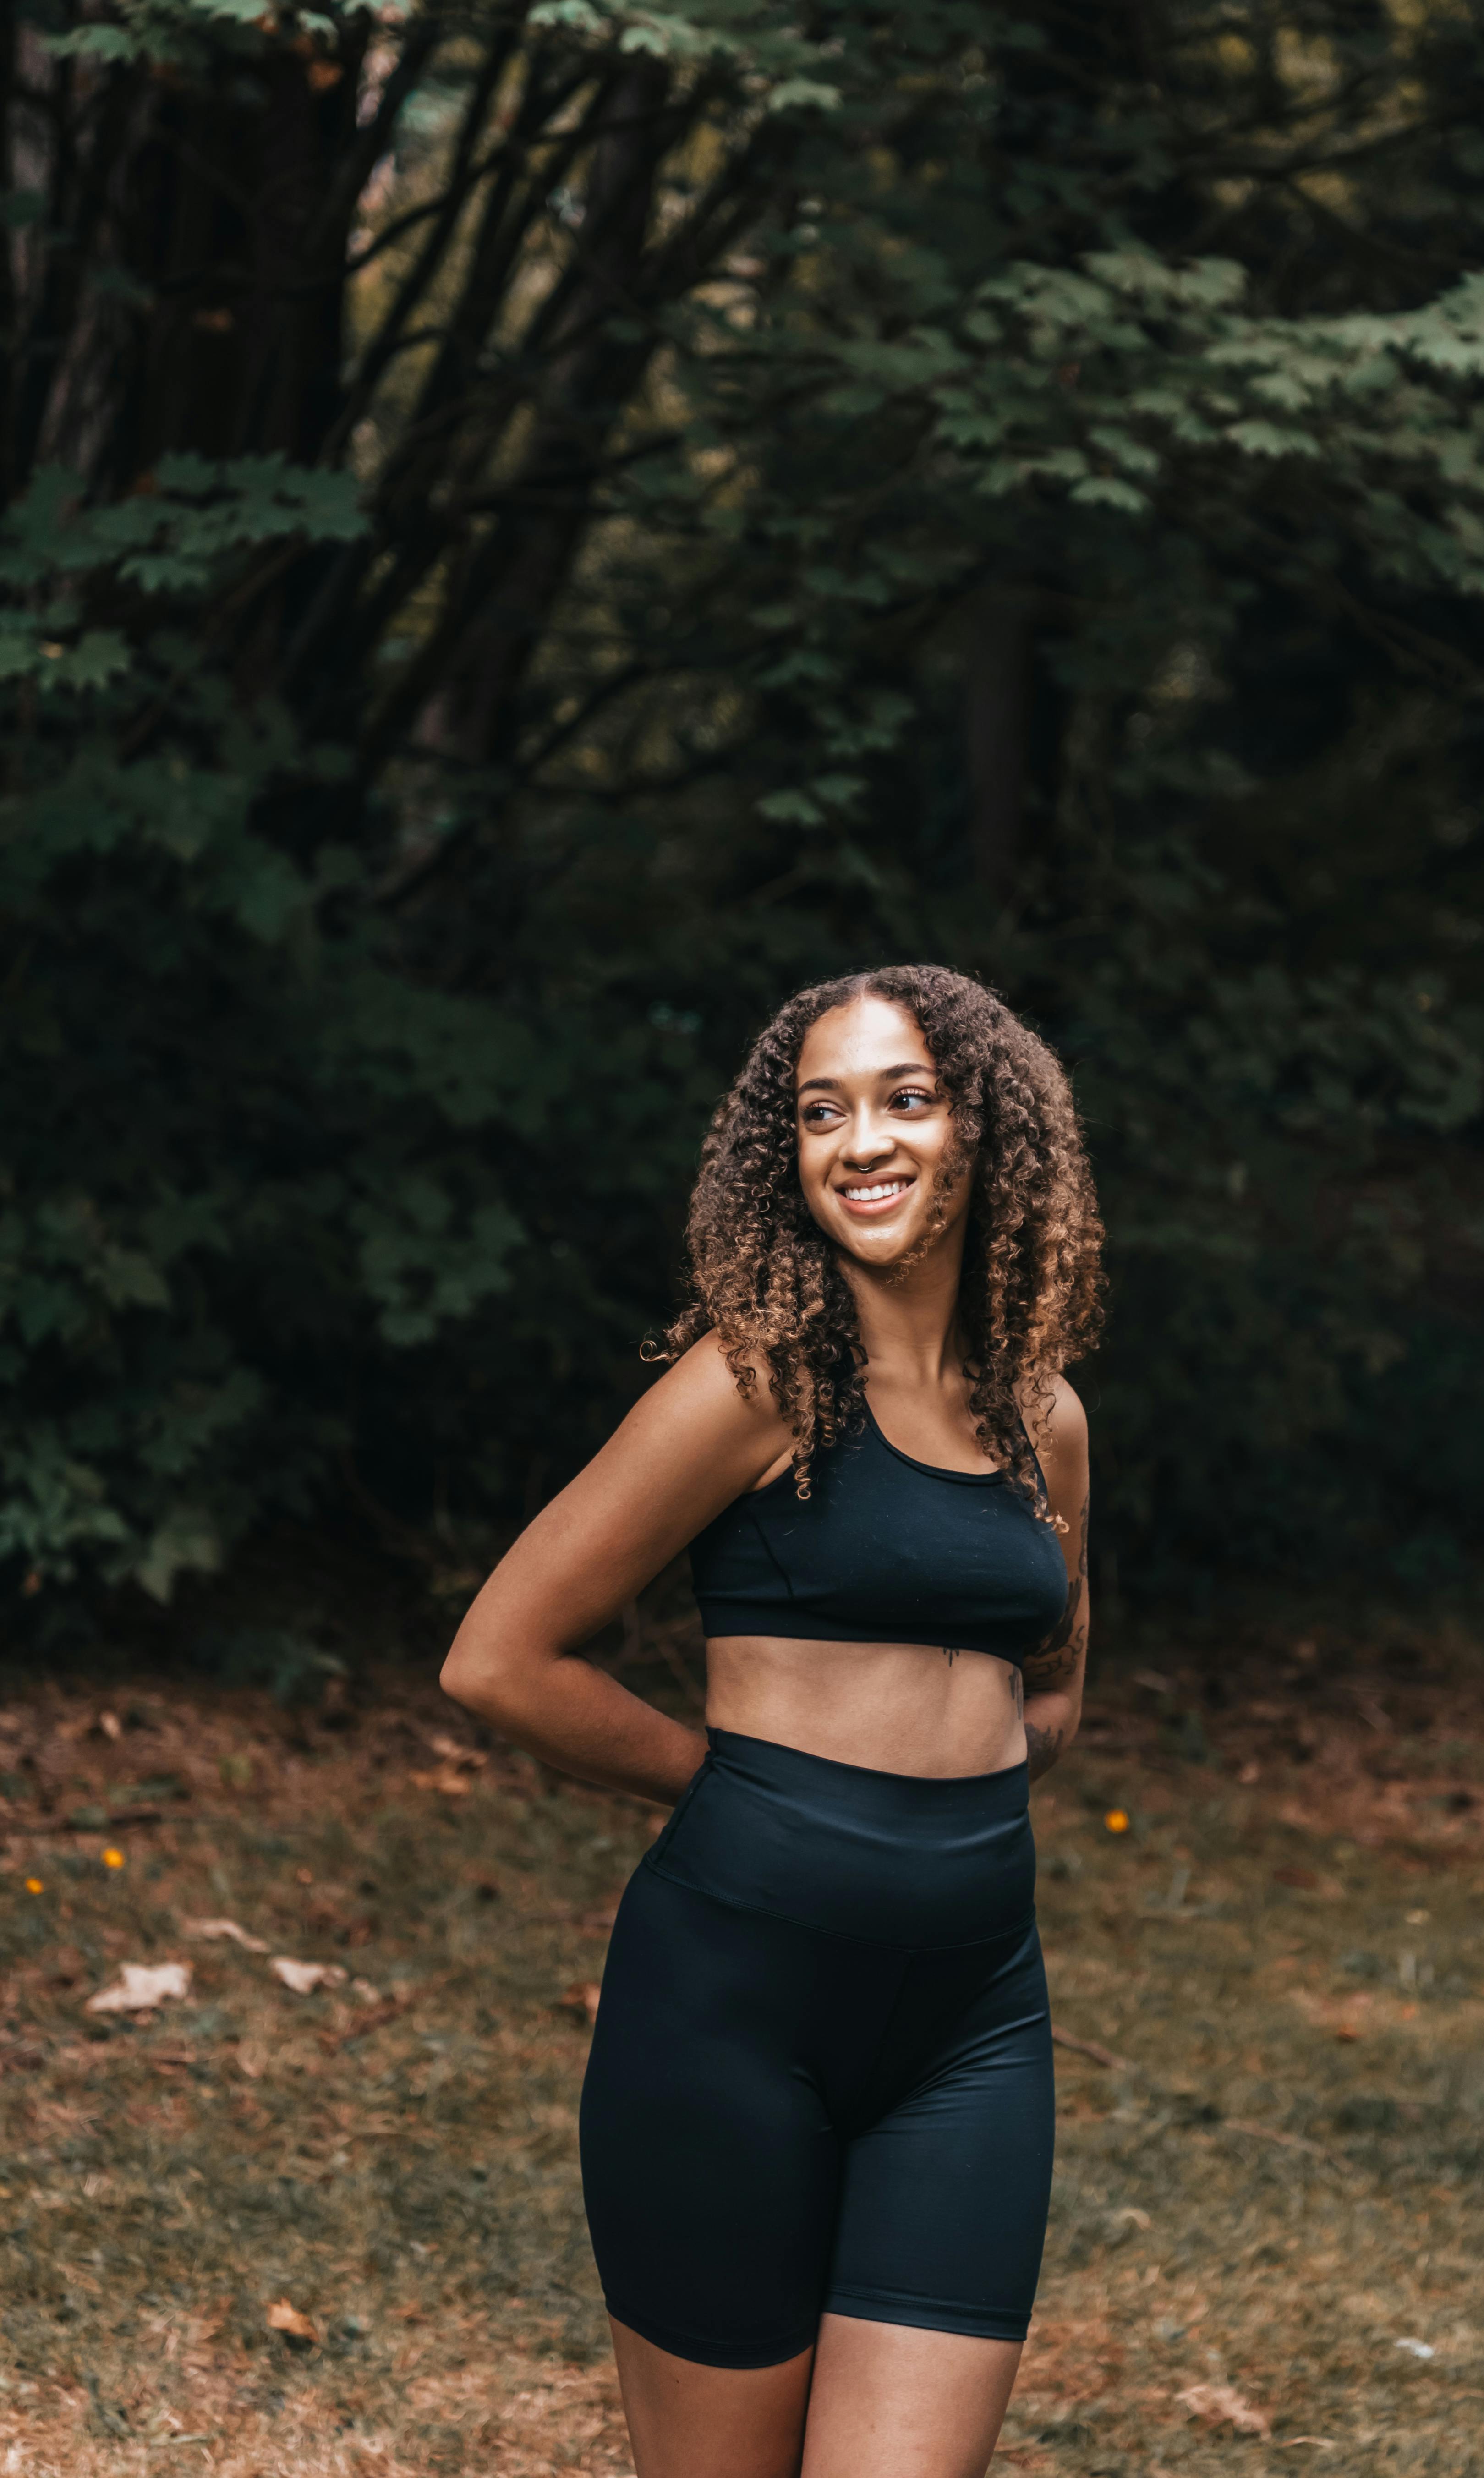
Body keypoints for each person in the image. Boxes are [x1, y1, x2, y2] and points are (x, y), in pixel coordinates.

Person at [441, 964, 1103, 2478]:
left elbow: (1056, 1677)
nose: (860, 1142)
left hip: (972, 2030)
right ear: (784, 1157)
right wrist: (735, 1791)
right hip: (731, 2009)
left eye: (905, 1100)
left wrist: (965, 1788)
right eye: (821, 1113)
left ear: (985, 1130)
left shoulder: (1044, 1420)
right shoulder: (753, 1386)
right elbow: (500, 1658)